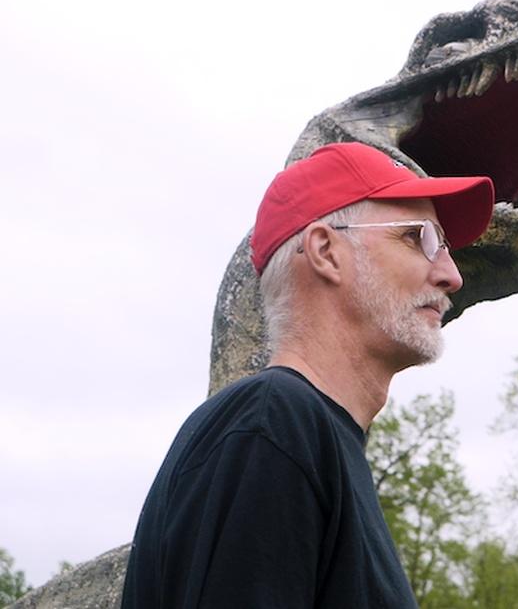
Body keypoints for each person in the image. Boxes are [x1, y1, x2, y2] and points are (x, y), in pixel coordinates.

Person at [120, 142, 494, 608]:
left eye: (444, 246)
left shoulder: (307, 438)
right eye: (417, 238)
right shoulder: (272, 423)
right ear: (326, 251)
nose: (451, 274)